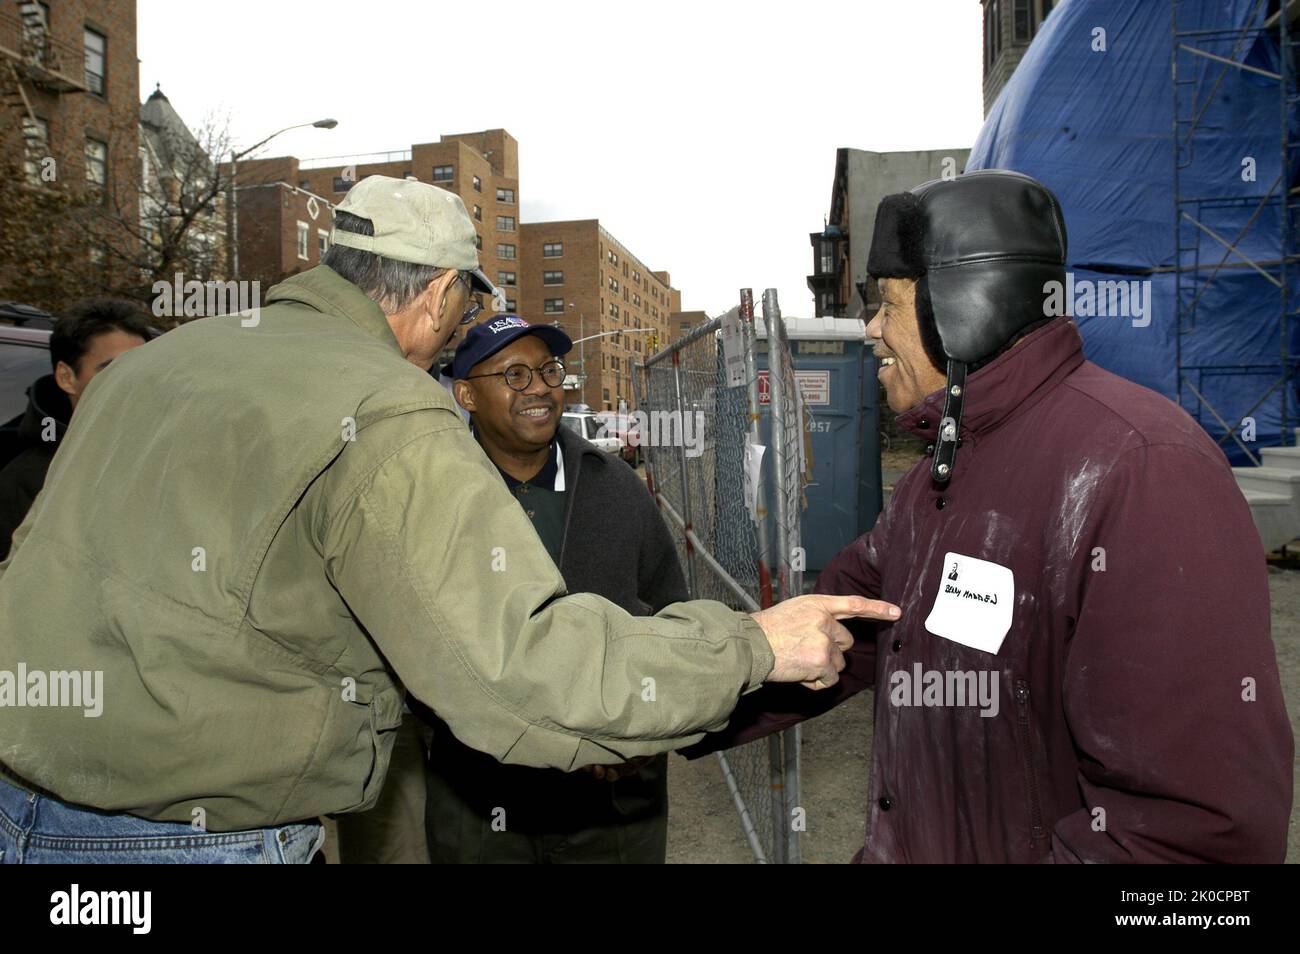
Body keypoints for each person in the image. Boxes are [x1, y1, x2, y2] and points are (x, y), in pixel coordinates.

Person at [0, 174, 895, 863]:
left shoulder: (151, 368)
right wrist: (751, 646)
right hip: (192, 836)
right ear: (435, 299)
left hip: (23, 800)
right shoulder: (385, 410)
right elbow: (512, 670)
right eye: (465, 312)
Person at [683, 169, 1294, 863]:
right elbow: (830, 629)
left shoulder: (1142, 468)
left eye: (886, 304)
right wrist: (661, 705)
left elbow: (1196, 837)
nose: (871, 330)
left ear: (968, 305)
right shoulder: (936, 478)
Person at [417, 316, 683, 863]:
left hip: (612, 805)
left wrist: (641, 734)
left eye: (548, 370)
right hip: (480, 802)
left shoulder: (617, 489)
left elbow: (670, 620)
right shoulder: (432, 497)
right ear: (466, 393)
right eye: (514, 374)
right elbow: (410, 646)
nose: (538, 386)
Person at [0, 299, 151, 559]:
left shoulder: (168, 453)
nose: (133, 383)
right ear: (66, 377)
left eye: (143, 369)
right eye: (113, 369)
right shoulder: (28, 482)